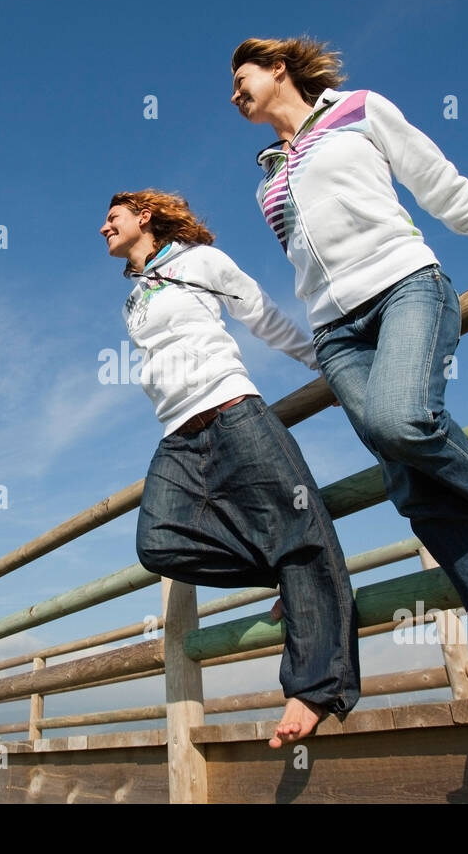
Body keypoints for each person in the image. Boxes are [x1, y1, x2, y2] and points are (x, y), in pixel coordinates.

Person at [229, 36, 468, 728]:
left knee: (400, 421)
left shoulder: (358, 110)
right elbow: (307, 269)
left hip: (405, 285)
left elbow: (443, 188)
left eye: (243, 77)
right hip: (334, 331)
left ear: (279, 69)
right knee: (416, 491)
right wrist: (314, 355)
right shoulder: (266, 178)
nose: (235, 93)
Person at [101, 189, 360, 747]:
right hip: (177, 435)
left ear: (144, 217)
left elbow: (261, 314)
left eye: (113, 217)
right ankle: (293, 577)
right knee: (160, 542)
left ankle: (315, 689)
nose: (104, 228)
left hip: (231, 409)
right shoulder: (132, 300)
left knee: (303, 535)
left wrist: (323, 363)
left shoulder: (199, 262)